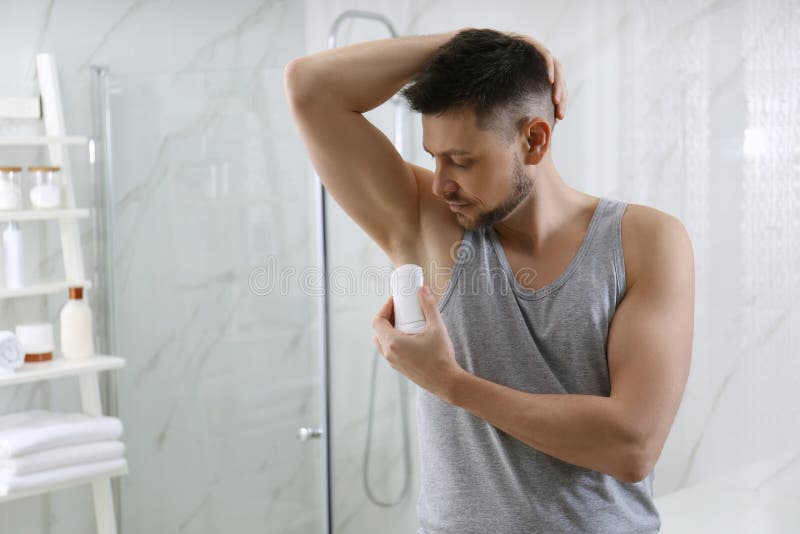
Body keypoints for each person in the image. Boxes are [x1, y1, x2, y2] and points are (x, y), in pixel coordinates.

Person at [284, 27, 694, 534]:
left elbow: (632, 445)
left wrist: (451, 384)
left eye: (462, 160)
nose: (440, 183)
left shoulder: (645, 241)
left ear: (534, 140)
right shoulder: (426, 223)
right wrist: (474, 42)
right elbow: (309, 86)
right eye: (434, 157)